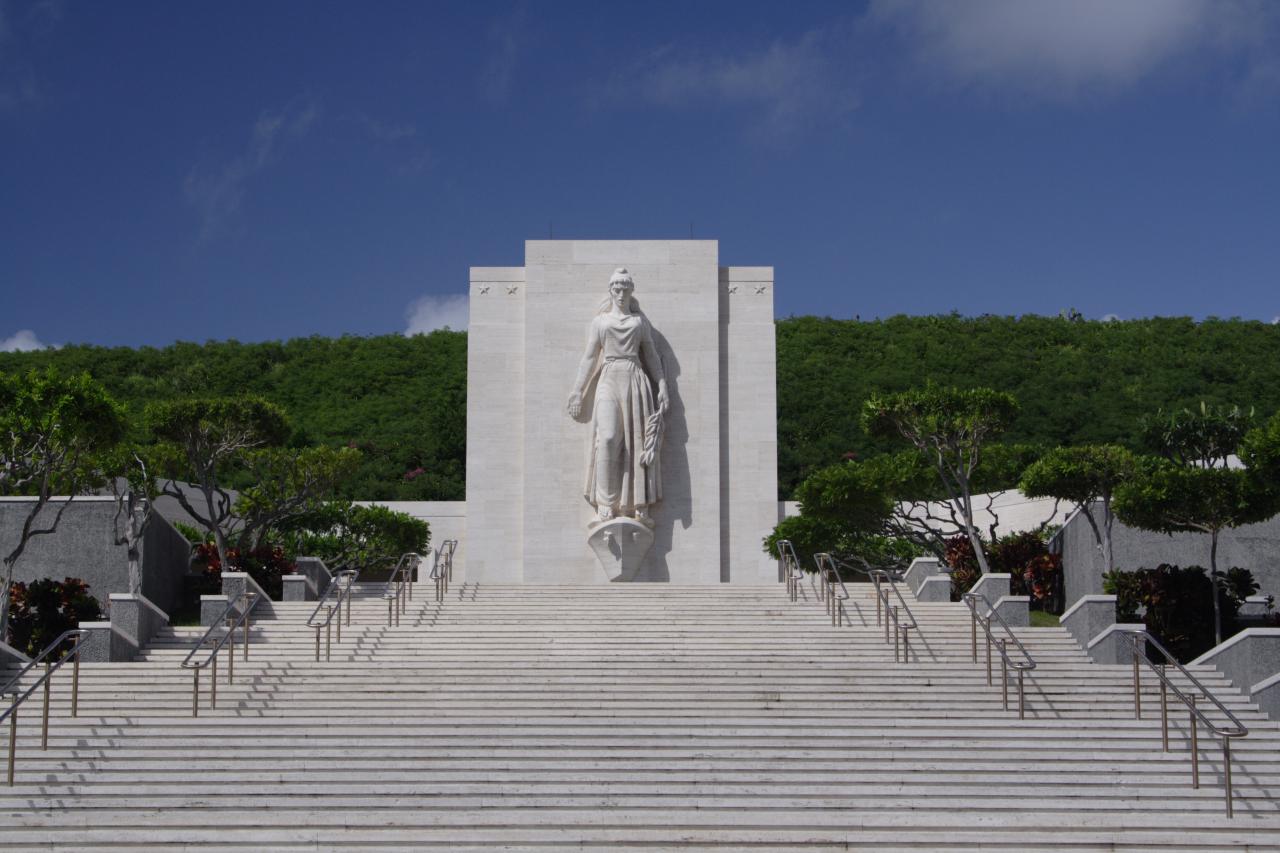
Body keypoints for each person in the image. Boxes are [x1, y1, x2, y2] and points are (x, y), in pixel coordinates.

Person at [566, 268, 669, 526]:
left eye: (626, 289)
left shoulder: (639, 322)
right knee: (609, 437)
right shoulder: (600, 322)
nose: (621, 294)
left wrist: (663, 385)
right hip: (609, 376)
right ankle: (605, 501)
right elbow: (590, 358)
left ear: (631, 291)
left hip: (635, 379)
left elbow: (652, 357)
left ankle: (638, 503)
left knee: (637, 442)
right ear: (611, 291)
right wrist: (578, 391)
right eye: (617, 289)